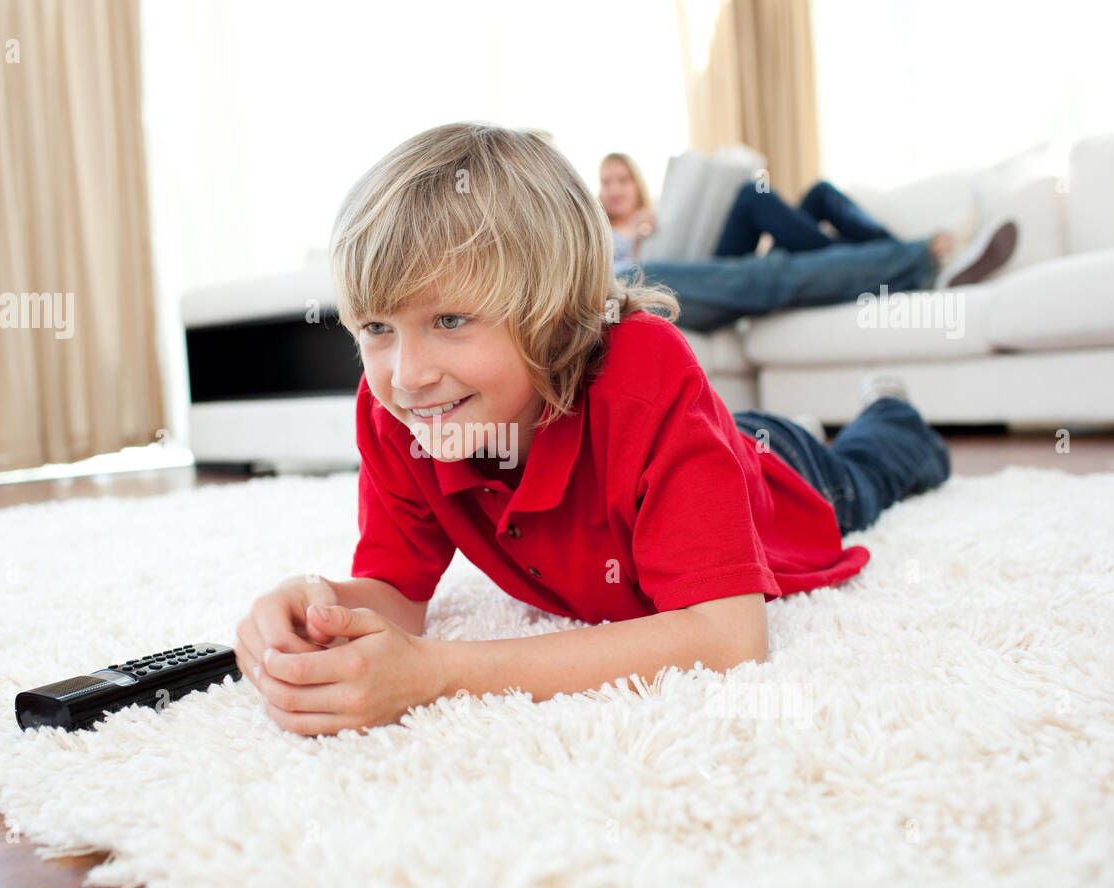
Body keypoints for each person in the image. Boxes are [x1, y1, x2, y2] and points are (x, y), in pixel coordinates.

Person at [231, 122, 951, 738]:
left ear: (555, 314)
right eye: (377, 329)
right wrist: (312, 605)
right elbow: (394, 592)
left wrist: (439, 675)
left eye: (450, 321)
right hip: (696, 438)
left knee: (867, 472)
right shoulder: (401, 414)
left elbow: (728, 639)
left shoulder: (643, 369)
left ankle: (890, 411)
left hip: (773, 475)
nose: (407, 373)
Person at [598, 151, 1018, 332]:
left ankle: (896, 254)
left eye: (623, 180)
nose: (614, 190)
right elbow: (608, 286)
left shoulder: (654, 216)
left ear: (638, 184)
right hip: (637, 281)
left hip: (694, 263)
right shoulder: (600, 232)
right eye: (605, 183)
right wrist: (630, 241)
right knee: (772, 272)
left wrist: (651, 228)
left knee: (769, 194)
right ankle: (929, 256)